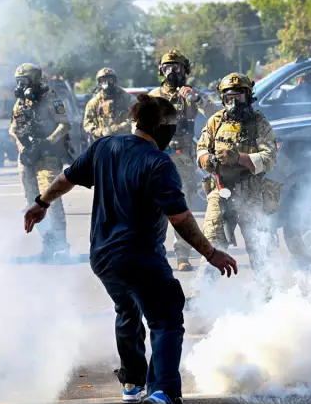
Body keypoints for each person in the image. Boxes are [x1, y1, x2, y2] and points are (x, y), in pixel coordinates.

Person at [23, 93, 238, 404]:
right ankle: (165, 394)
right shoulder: (158, 163)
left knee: (127, 308)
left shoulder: (104, 146)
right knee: (167, 319)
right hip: (140, 256)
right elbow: (181, 219)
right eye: (173, 126)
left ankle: (133, 382)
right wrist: (211, 253)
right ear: (159, 126)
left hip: (103, 258)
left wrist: (41, 203)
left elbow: (67, 177)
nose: (175, 131)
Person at [197, 72, 279, 274]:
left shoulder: (259, 123)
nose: (234, 102)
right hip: (220, 190)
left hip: (251, 193)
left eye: (239, 97)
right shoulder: (215, 122)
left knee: (260, 250)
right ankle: (203, 296)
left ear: (248, 96)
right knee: (212, 246)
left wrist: (239, 158)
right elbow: (201, 149)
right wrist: (206, 159)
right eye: (229, 98)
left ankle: (268, 297)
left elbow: (270, 159)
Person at [149, 49, 218, 272]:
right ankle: (153, 253)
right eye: (168, 67)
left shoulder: (191, 95)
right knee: (153, 208)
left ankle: (182, 255)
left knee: (182, 207)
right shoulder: (154, 96)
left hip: (184, 158)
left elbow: (216, 114)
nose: (172, 72)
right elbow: (136, 127)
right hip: (157, 157)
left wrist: (196, 98)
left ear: (184, 70)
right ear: (161, 70)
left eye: (177, 67)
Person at [10, 62, 72, 260]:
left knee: (50, 201)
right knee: (31, 201)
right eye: (18, 81)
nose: (20, 85)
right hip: (28, 158)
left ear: (34, 80)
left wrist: (46, 142)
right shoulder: (20, 103)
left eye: (24, 81)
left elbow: (64, 125)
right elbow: (12, 128)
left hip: (47, 157)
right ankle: (48, 243)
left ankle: (61, 246)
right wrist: (22, 147)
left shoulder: (51, 98)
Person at [82, 67, 135, 140]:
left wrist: (121, 127)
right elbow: (87, 124)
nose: (107, 83)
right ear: (99, 83)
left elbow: (137, 117)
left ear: (114, 81)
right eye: (103, 80)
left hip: (124, 140)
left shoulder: (127, 98)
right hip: (103, 142)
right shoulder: (94, 103)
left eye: (110, 80)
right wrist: (101, 132)